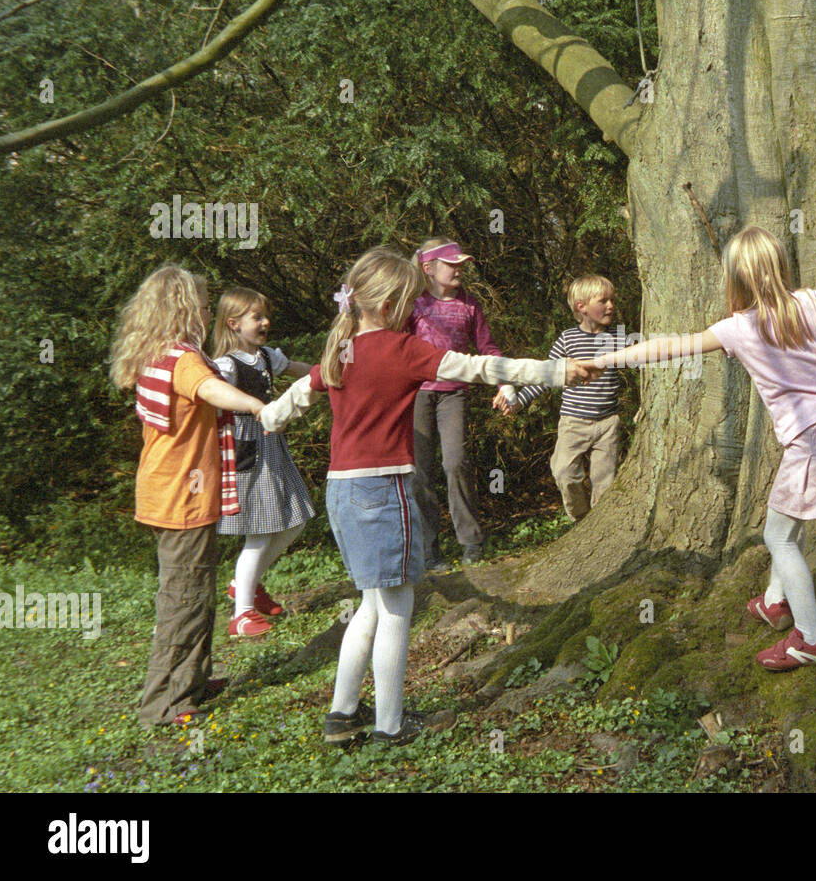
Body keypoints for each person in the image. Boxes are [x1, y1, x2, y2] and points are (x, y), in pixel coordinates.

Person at [259, 247, 597, 744]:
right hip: (381, 489)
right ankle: (390, 725)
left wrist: (262, 417)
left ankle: (341, 715)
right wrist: (556, 372)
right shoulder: (403, 350)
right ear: (395, 303)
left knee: (371, 604)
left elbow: (288, 404)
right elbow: (481, 368)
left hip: (340, 493)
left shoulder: (340, 351)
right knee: (398, 607)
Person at [591, 226, 816, 670]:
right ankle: (773, 601)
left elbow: (670, 348)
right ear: (779, 265)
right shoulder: (814, 300)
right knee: (789, 522)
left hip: (809, 436)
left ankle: (810, 638)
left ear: (737, 279)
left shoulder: (737, 328)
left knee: (777, 536)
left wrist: (601, 359)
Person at [109, 264, 265, 726]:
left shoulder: (155, 353)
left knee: (194, 593)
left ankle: (192, 682)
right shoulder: (184, 359)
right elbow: (213, 390)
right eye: (199, 302)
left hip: (166, 490)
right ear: (182, 308)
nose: (204, 310)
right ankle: (163, 705)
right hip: (184, 498)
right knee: (184, 601)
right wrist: (258, 405)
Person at [210, 287, 317, 639]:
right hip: (246, 451)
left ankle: (244, 583)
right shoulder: (226, 365)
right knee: (259, 531)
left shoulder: (267, 357)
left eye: (265, 315)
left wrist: (328, 374)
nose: (265, 322)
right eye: (257, 317)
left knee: (295, 522)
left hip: (273, 447)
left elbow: (304, 371)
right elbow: (212, 401)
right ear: (234, 323)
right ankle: (241, 615)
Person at [407, 238, 509, 569]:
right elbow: (396, 348)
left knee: (456, 463)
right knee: (420, 471)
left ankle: (471, 541)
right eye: (452, 264)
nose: (459, 269)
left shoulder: (470, 304)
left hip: (454, 394)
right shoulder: (414, 305)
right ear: (429, 269)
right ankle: (428, 550)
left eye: (460, 263)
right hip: (417, 394)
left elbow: (487, 348)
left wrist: (504, 382)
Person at [507, 274, 626, 520]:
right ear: (581, 307)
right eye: (603, 301)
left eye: (612, 300)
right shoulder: (567, 339)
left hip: (608, 423)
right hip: (574, 422)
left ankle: (599, 525)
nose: (611, 305)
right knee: (564, 472)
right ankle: (582, 520)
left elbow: (641, 362)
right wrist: (519, 399)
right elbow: (547, 375)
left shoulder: (618, 337)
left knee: (605, 482)